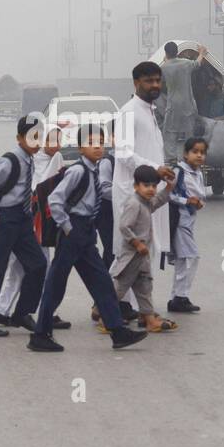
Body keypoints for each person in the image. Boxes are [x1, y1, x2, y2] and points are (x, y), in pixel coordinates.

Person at [30, 124, 148, 353]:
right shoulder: (78, 171)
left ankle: (117, 331)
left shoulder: (94, 170)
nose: (98, 148)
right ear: (81, 148)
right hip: (73, 232)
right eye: (92, 144)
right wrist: (67, 228)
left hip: (85, 233)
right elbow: (55, 200)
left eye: (101, 143)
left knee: (101, 282)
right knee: (56, 284)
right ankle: (40, 335)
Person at [0, 117, 48, 337]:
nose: (37, 141)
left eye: (39, 137)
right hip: (6, 219)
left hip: (22, 220)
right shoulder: (10, 160)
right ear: (19, 138)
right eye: (32, 137)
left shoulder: (30, 159)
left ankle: (22, 313)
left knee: (38, 264)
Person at [0, 126, 69, 330]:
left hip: (39, 222)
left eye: (59, 141)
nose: (56, 145)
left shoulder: (56, 159)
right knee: (32, 267)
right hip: (28, 221)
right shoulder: (31, 160)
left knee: (22, 268)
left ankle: (2, 310)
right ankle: (46, 313)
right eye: (52, 140)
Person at [115, 61, 177, 269]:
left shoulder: (149, 111)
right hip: (132, 194)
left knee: (144, 254)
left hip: (148, 194)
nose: (155, 85)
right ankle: (115, 300)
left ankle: (127, 301)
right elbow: (123, 152)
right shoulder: (129, 112)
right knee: (129, 255)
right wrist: (155, 168)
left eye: (158, 81)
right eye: (149, 81)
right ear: (136, 83)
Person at [110, 164, 177, 333]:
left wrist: (169, 187)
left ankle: (149, 319)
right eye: (146, 185)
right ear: (136, 186)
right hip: (132, 256)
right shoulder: (134, 203)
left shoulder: (146, 202)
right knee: (120, 288)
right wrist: (137, 243)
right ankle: (104, 314)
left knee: (144, 288)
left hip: (142, 257)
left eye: (154, 186)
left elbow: (158, 201)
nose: (151, 189)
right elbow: (124, 226)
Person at [167, 137, 208, 314]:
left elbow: (200, 195)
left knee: (184, 259)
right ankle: (180, 297)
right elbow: (167, 195)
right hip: (179, 220)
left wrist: (198, 203)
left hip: (189, 220)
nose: (199, 156)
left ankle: (178, 297)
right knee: (191, 257)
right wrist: (186, 200)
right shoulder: (178, 172)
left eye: (202, 152)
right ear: (186, 154)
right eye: (195, 152)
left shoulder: (198, 172)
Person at [159, 41, 206, 162]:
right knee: (189, 132)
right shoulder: (185, 64)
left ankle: (171, 158)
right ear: (177, 52)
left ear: (166, 53)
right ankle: (189, 156)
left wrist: (166, 61)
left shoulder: (163, 67)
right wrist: (201, 52)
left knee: (169, 132)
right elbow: (198, 63)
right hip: (187, 105)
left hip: (173, 106)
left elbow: (160, 81)